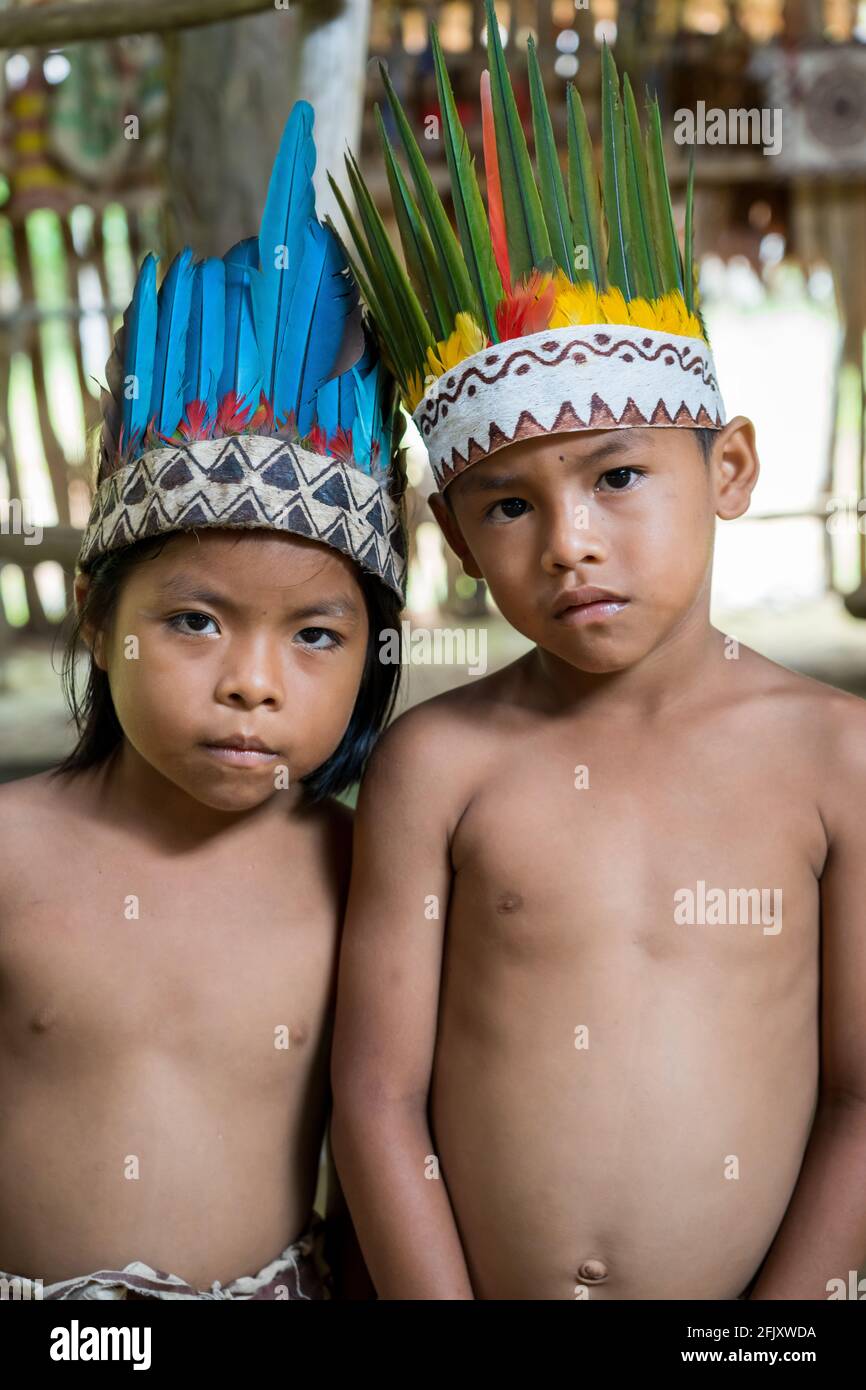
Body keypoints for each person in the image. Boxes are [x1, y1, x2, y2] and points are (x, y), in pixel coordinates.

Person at [329, 2, 866, 1300]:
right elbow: (374, 1097)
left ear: (726, 466)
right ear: (456, 536)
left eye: (617, 474)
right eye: (507, 504)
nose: (567, 541)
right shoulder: (438, 765)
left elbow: (862, 1094)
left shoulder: (833, 752)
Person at [0, 100, 406, 1301]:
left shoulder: (358, 872)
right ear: (95, 621)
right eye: (193, 620)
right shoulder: (12, 853)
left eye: (315, 635)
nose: (250, 679)